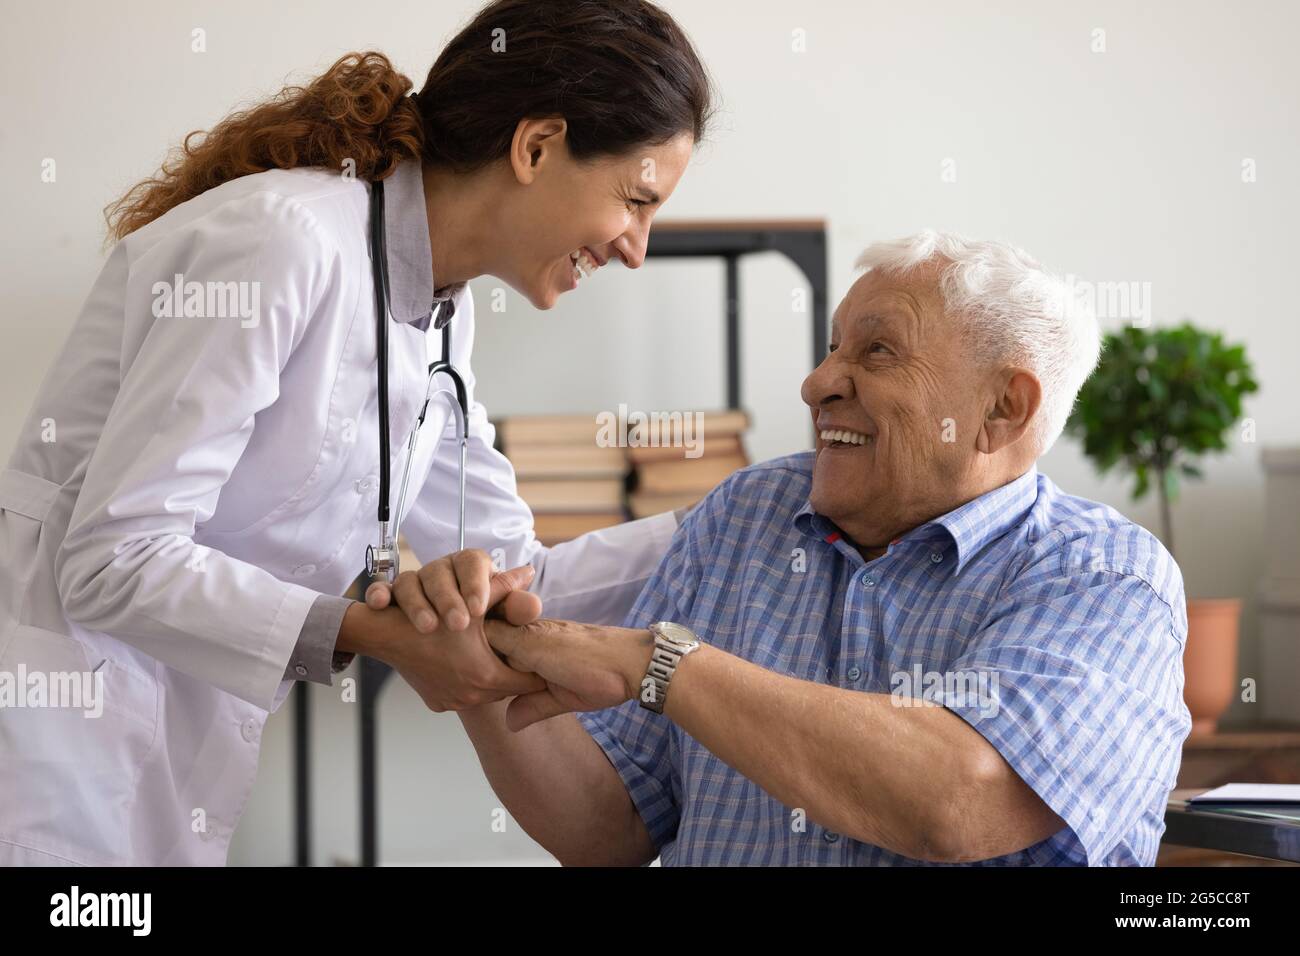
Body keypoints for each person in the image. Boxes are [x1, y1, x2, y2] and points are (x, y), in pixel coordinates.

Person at [0, 0, 713, 865]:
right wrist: (374, 631)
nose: (637, 247)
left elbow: (524, 574)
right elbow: (114, 557)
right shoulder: (280, 242)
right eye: (636, 200)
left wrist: (732, 518)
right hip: (53, 733)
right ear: (536, 147)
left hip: (159, 740)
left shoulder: (441, 320)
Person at [468, 232, 1193, 866]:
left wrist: (658, 663)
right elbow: (608, 830)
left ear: (1004, 408)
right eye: (832, 347)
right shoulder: (746, 514)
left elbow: (953, 798)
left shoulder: (1104, 577)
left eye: (878, 352)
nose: (817, 384)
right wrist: (473, 663)